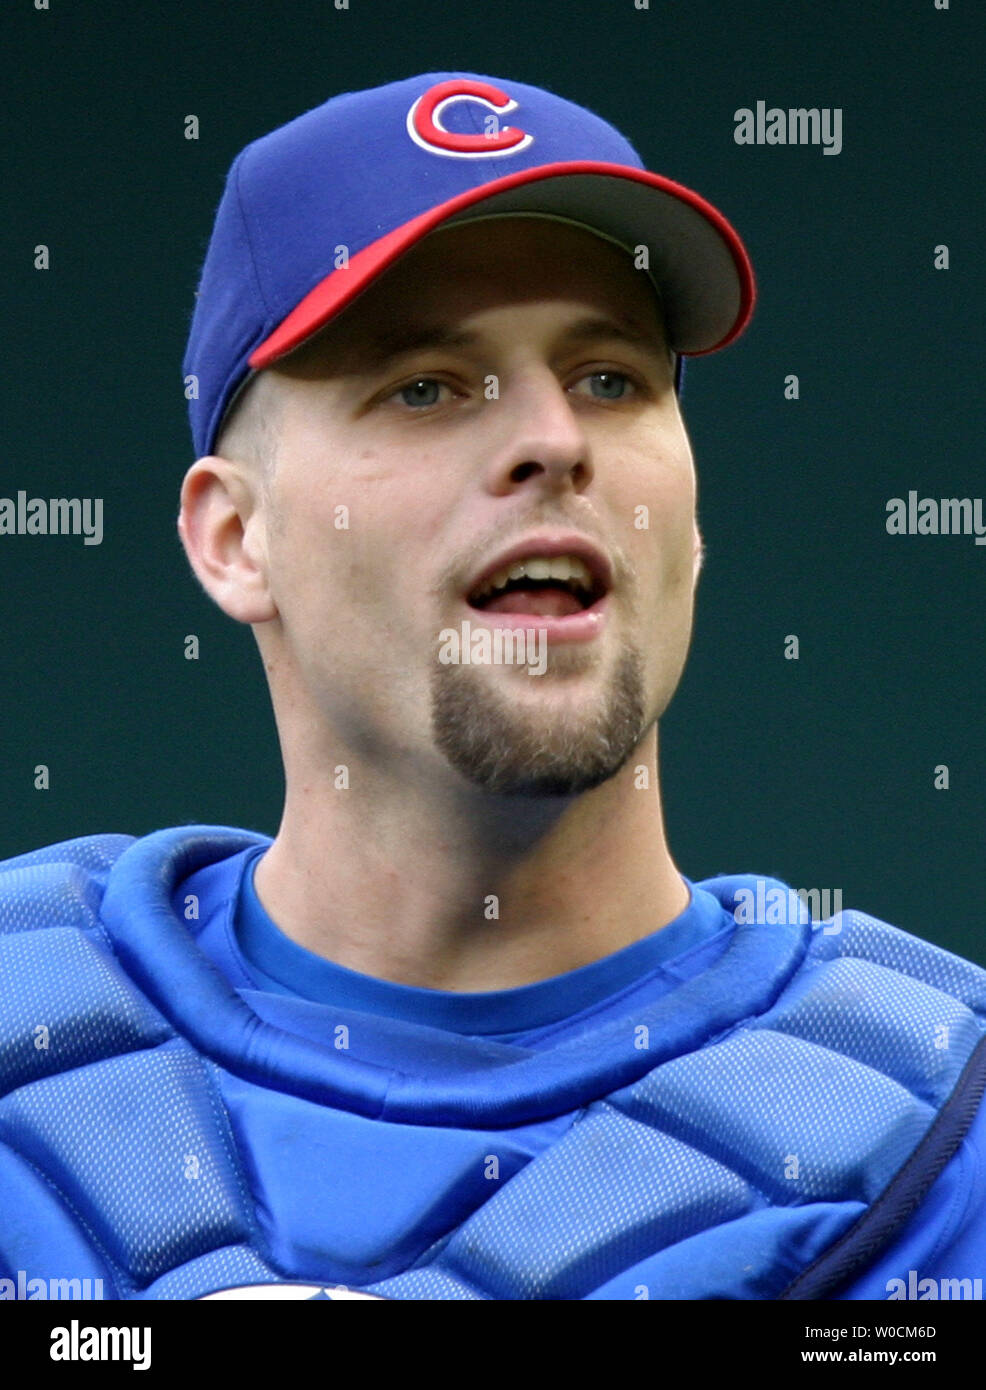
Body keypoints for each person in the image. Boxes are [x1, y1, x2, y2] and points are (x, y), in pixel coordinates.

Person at [1, 71, 984, 1304]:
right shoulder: (24, 1030)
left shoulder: (933, 1134)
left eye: (610, 379)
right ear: (234, 539)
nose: (554, 439)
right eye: (423, 386)